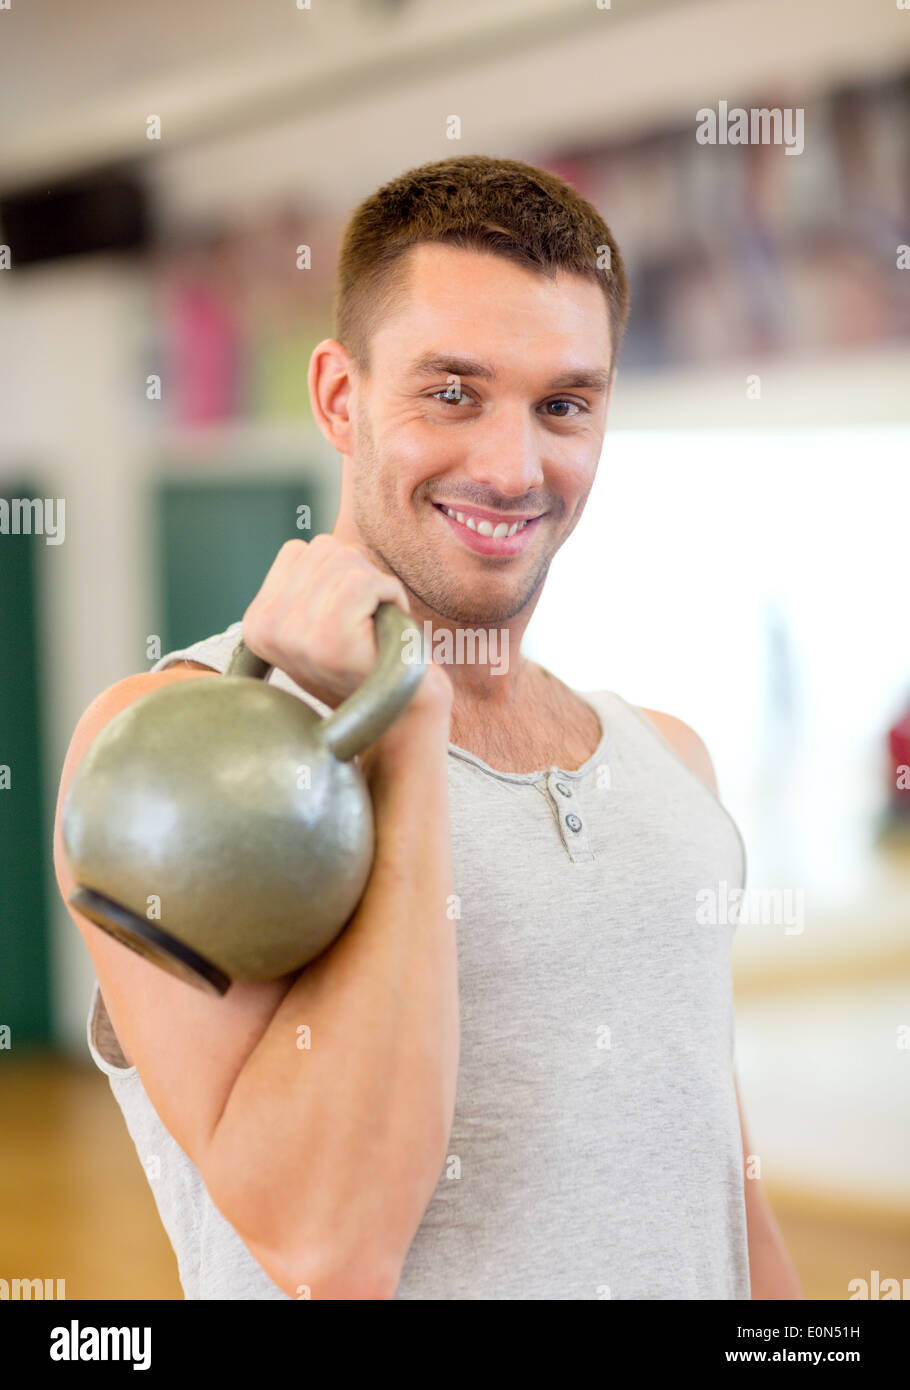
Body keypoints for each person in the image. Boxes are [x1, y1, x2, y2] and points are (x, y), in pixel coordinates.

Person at [54, 154, 802, 1300]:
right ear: (340, 398)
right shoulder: (180, 752)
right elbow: (326, 1248)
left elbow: (727, 1202)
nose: (511, 467)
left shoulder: (667, 765)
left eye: (564, 404)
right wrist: (403, 734)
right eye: (451, 391)